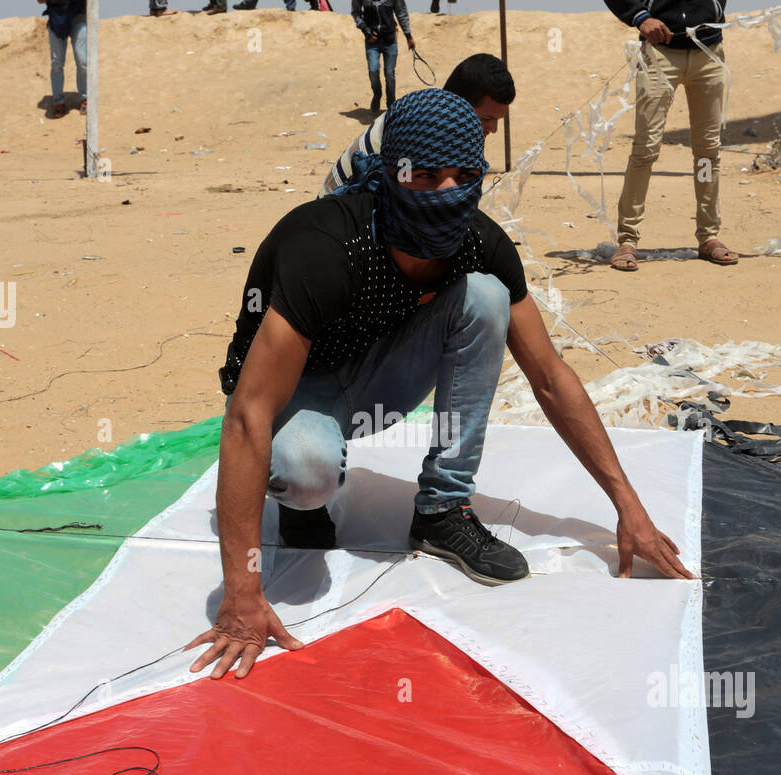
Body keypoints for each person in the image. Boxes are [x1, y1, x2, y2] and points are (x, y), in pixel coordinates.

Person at [193, 88, 692, 680]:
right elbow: (248, 413)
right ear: (389, 172)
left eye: (464, 176)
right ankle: (302, 502)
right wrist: (243, 595)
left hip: (380, 376)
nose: (447, 192)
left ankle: (442, 510)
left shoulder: (480, 242)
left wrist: (628, 506)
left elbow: (551, 378)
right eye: (425, 175)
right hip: (302, 385)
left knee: (485, 295)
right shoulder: (325, 246)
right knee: (306, 474)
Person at [604, 0, 781, 270]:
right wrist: (640, 17)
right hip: (659, 54)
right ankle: (628, 240)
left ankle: (709, 236)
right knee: (646, 150)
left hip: (708, 54)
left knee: (707, 152)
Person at [320, 52, 514, 197]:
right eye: (486, 119)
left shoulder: (433, 116)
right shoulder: (421, 132)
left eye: (497, 120)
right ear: (460, 103)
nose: (493, 129)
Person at [351, 0, 414, 113]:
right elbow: (356, 13)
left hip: (390, 40)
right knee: (373, 70)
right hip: (372, 41)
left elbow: (401, 13)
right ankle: (377, 94)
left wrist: (408, 36)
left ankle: (391, 103)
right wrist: (365, 29)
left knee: (389, 73)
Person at [39, 0, 87, 117]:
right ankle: (58, 101)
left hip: (78, 16)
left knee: (83, 61)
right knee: (57, 64)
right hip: (57, 19)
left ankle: (85, 98)